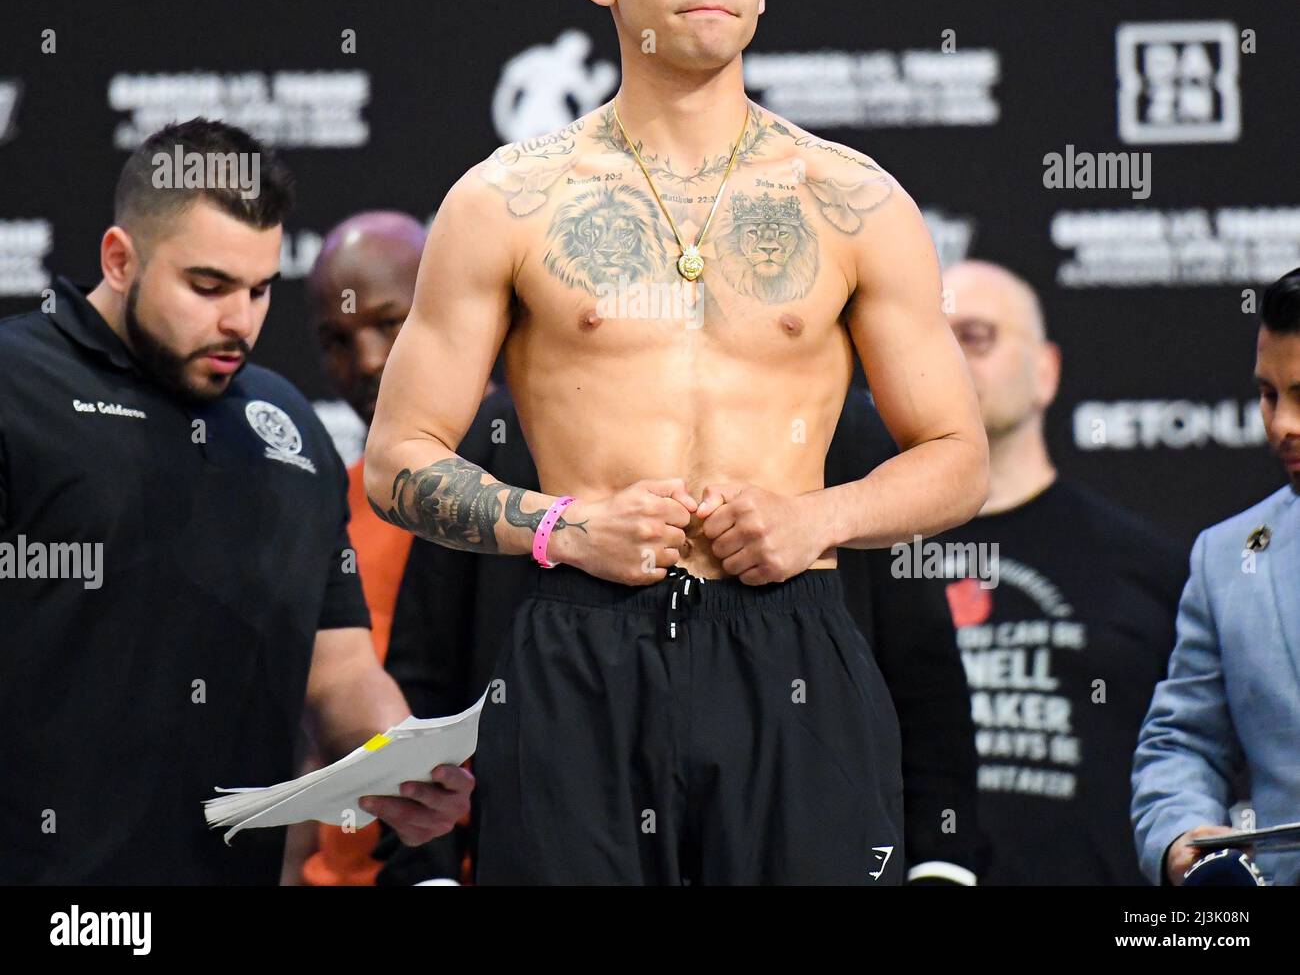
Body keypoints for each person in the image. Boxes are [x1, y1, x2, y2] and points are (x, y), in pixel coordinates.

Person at [365, 0, 989, 886]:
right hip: (578, 638)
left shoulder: (853, 201)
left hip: (793, 638)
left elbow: (960, 456)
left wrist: (817, 516)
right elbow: (396, 460)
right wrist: (563, 526)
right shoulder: (505, 200)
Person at [0, 119, 470, 885]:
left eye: (258, 291)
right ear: (120, 260)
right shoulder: (15, 390)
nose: (239, 321)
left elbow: (342, 671)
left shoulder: (286, 431)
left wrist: (403, 761)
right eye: (207, 286)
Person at [377, 382, 988, 885]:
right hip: (571, 679)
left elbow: (921, 665)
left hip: (795, 669)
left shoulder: (836, 423)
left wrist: (941, 864)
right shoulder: (499, 432)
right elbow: (426, 664)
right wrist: (424, 874)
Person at [928, 260, 1186, 885]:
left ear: (1045, 370)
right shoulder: (866, 556)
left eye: (977, 336)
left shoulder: (1148, 565)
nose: (952, 363)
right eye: (932, 342)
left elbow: (1196, 756)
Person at [1133, 267, 1300, 888]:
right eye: (1269, 394)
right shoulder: (1227, 556)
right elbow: (1183, 742)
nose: (1282, 424)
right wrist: (1182, 832)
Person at [289, 211, 432, 886]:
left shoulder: (536, 496)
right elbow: (310, 742)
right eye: (337, 339)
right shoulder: (324, 503)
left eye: (388, 323)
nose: (368, 360)